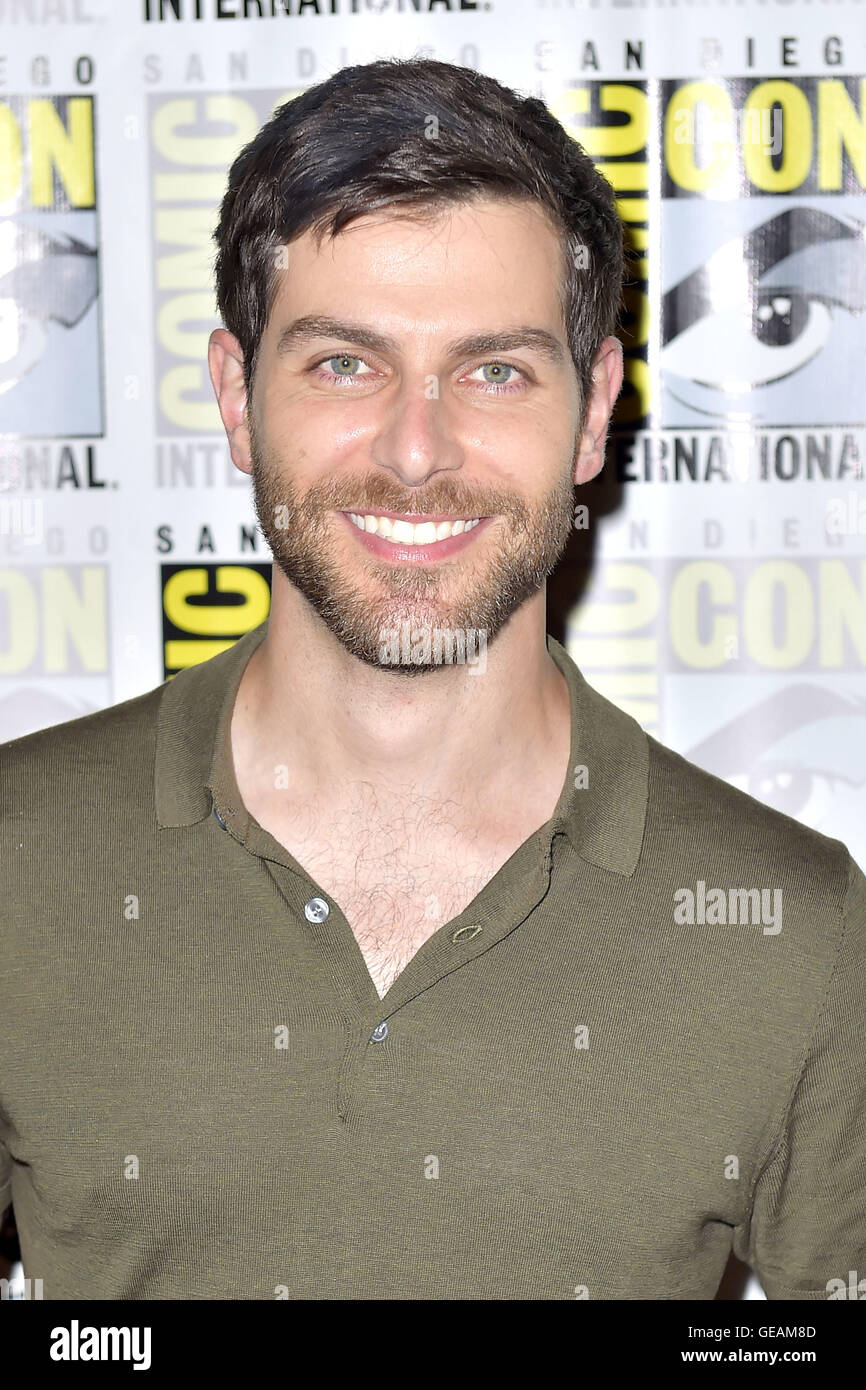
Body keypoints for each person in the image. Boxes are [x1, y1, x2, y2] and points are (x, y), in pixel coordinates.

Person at [1, 57, 863, 1301]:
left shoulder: (794, 927)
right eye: (345, 365)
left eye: (494, 370)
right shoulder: (19, 857)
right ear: (237, 397)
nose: (416, 451)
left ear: (593, 411)